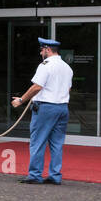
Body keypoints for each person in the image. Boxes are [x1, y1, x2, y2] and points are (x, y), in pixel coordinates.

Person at [12, 36, 73, 185]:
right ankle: (55, 175)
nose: (40, 53)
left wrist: (21, 100)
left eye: (41, 50)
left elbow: (37, 86)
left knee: (38, 142)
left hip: (46, 107)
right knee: (57, 144)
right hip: (62, 107)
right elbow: (68, 88)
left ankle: (35, 175)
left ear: (47, 49)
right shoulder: (67, 67)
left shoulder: (45, 65)